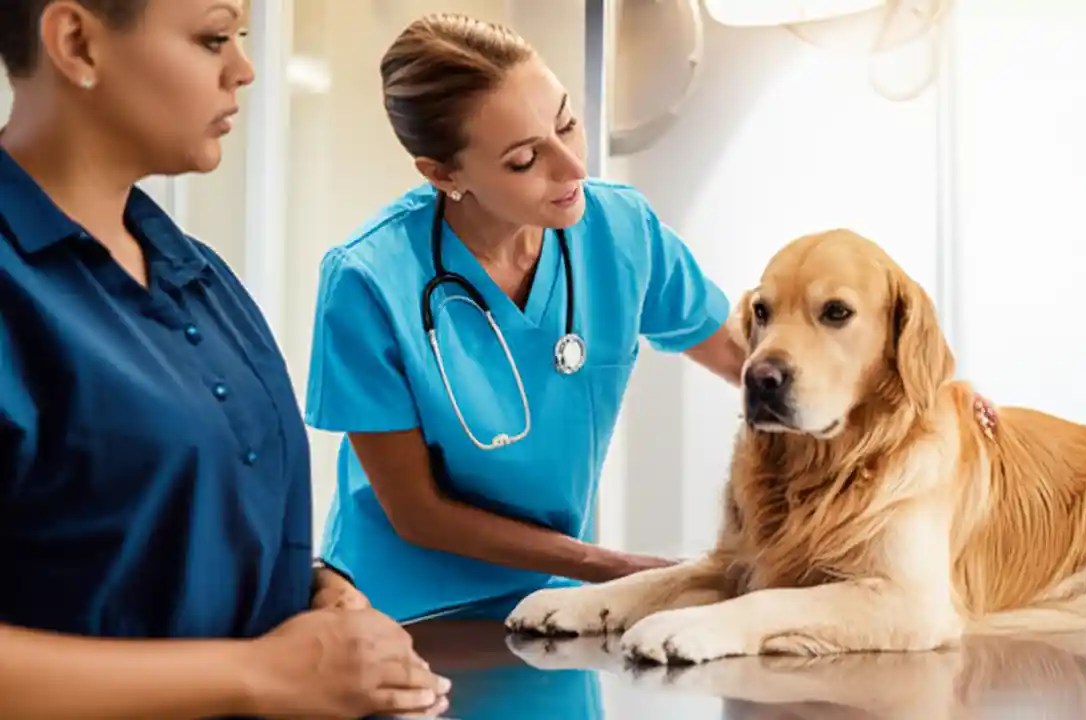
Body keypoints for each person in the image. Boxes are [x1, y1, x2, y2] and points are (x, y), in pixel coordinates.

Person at [0, 1, 449, 717]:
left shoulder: (195, 274)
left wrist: (307, 589)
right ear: (77, 42)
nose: (242, 70)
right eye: (214, 38)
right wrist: (259, 673)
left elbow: (131, 528)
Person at [303, 13, 744, 624]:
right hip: (403, 616)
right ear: (444, 174)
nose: (572, 169)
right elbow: (417, 512)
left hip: (554, 607)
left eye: (567, 123)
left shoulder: (620, 232)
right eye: (524, 160)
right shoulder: (369, 279)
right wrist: (626, 571)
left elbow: (750, 366)